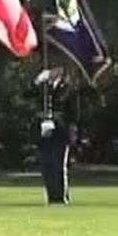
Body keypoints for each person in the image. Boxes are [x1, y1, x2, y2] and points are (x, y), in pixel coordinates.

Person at [33, 66, 78, 204]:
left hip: (61, 132)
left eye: (54, 69)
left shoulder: (68, 88)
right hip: (44, 132)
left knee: (59, 166)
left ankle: (61, 196)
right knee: (47, 166)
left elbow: (74, 113)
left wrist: (58, 119)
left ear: (60, 71)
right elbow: (27, 94)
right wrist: (37, 81)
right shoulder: (42, 87)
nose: (50, 72)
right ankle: (51, 195)